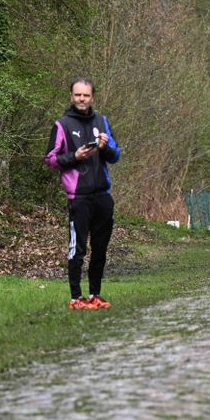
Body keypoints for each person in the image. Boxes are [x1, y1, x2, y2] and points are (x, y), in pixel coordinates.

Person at [44, 77, 121, 310]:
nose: (81, 99)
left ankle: (94, 294)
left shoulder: (102, 121)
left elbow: (115, 155)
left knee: (100, 248)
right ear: (71, 96)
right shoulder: (62, 124)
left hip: (102, 195)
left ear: (92, 98)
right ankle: (75, 298)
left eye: (86, 95)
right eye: (78, 95)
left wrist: (105, 146)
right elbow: (50, 159)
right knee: (77, 249)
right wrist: (74, 157)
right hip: (78, 197)